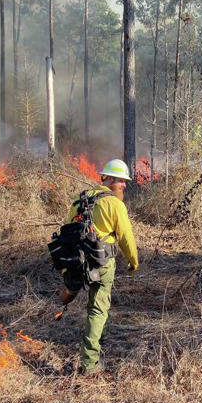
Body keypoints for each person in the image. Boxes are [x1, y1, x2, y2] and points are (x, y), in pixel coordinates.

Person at [63, 159, 138, 376]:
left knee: (98, 307)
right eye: (122, 181)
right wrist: (133, 261)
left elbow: (69, 229)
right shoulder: (115, 204)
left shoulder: (80, 199)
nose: (124, 185)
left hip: (79, 262)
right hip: (103, 263)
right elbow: (125, 237)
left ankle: (98, 341)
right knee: (98, 309)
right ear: (111, 179)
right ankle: (90, 363)